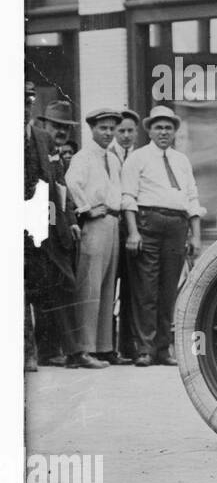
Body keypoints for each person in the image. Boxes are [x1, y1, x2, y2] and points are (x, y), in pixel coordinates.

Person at [120, 104, 202, 367]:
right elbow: (128, 197)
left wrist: (195, 236)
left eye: (168, 128)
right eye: (158, 127)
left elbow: (192, 198)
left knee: (168, 290)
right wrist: (133, 232)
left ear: (175, 131)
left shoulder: (182, 160)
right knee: (146, 289)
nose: (164, 132)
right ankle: (145, 348)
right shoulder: (138, 158)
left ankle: (163, 348)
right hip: (148, 223)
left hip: (177, 226)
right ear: (149, 131)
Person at [64, 107, 125, 369]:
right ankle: (84, 348)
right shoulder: (83, 157)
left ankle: (103, 347)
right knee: (89, 286)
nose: (108, 133)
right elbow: (71, 183)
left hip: (112, 222)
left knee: (107, 286)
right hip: (95, 223)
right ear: (92, 129)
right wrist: (86, 208)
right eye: (103, 128)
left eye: (112, 128)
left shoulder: (112, 158)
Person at [27, 96, 81, 367]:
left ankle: (53, 350)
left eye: (65, 127)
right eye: (56, 125)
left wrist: (70, 220)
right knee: (40, 289)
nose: (61, 131)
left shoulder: (53, 148)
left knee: (58, 287)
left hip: (55, 230)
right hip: (33, 228)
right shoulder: (32, 143)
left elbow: (61, 186)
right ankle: (51, 351)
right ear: (44, 124)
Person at [110, 108, 141, 361]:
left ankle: (128, 346)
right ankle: (107, 347)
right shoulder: (107, 156)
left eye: (131, 131)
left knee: (132, 290)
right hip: (112, 229)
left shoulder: (140, 158)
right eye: (121, 131)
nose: (126, 135)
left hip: (133, 229)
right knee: (109, 288)